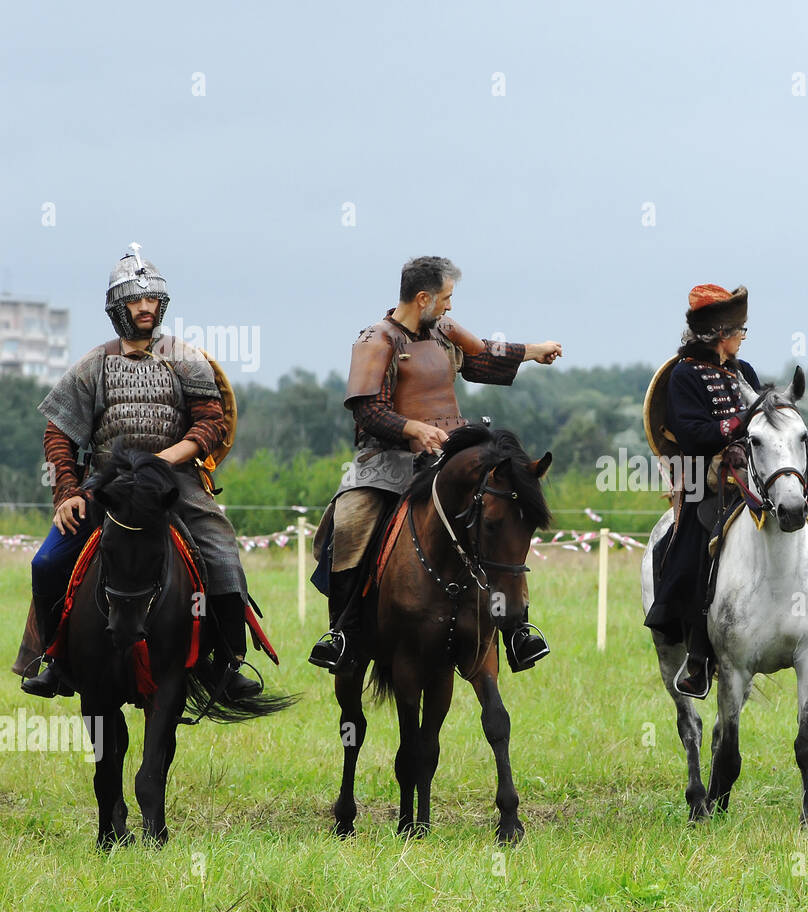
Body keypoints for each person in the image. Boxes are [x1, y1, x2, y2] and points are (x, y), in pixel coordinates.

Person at [15, 244, 265, 699]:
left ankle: (225, 661)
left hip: (176, 484)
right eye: (136, 299)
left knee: (223, 554)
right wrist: (67, 493)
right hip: (107, 486)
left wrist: (165, 459)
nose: (146, 307)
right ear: (117, 306)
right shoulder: (92, 365)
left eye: (152, 299)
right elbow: (59, 436)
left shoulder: (185, 357)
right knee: (47, 561)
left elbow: (211, 423)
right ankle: (55, 658)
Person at [308, 255, 562, 673]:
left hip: (447, 454)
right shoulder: (376, 339)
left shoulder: (443, 332)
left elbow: (481, 358)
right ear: (422, 297)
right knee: (351, 522)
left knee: (502, 509)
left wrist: (531, 351)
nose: (449, 307)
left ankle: (517, 628)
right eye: (445, 299)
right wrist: (412, 429)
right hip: (385, 461)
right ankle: (344, 633)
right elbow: (368, 412)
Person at [644, 284, 808, 699]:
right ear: (717, 333)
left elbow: (767, 426)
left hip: (758, 475)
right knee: (696, 541)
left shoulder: (745, 373)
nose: (742, 337)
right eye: (738, 329)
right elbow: (692, 433)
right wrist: (736, 426)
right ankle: (700, 656)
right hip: (707, 481)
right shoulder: (684, 375)